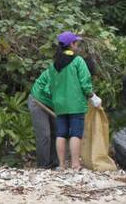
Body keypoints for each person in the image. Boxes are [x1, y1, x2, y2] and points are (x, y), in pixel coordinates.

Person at [31, 31, 98, 170]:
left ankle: (60, 165)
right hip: (67, 103)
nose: (78, 46)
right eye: (76, 43)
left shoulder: (55, 64)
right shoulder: (78, 61)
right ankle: (74, 164)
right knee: (74, 134)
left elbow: (53, 87)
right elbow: (85, 83)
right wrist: (92, 96)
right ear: (71, 45)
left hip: (59, 104)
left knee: (60, 134)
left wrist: (59, 100)